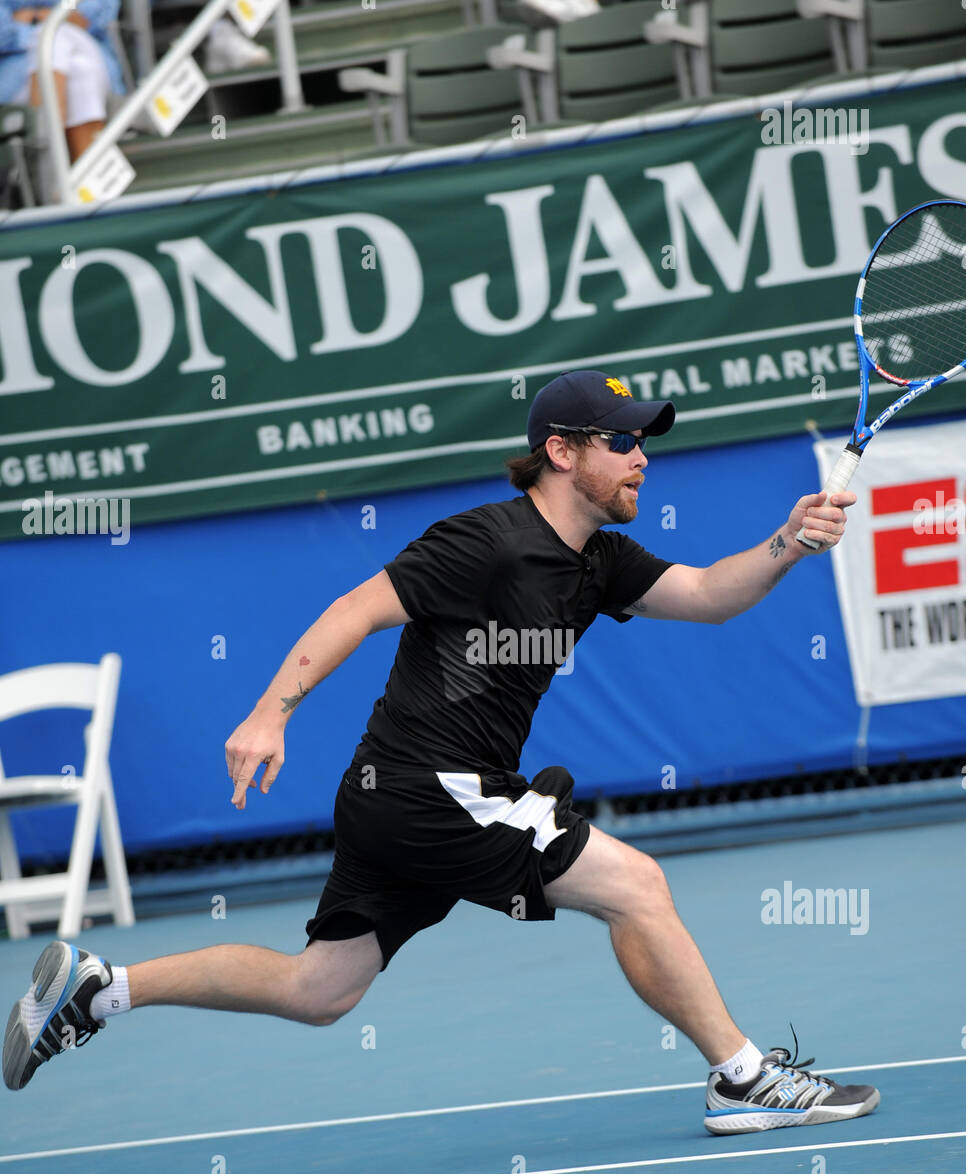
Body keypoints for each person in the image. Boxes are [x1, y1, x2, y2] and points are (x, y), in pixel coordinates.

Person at [3, 370, 881, 1134]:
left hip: (401, 798)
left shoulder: (600, 561)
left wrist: (787, 543)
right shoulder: (483, 541)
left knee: (322, 990)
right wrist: (271, 711)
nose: (642, 457)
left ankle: (98, 989)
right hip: (432, 788)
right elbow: (357, 608)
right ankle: (744, 1079)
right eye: (623, 440)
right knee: (636, 886)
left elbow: (705, 595)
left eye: (644, 441)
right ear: (563, 452)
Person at [0, 0, 123, 162]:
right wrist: (52, 19)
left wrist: (34, 20)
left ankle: (47, 166)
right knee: (80, 69)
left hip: (85, 49)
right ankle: (89, 175)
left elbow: (90, 16)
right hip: (16, 75)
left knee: (53, 35)